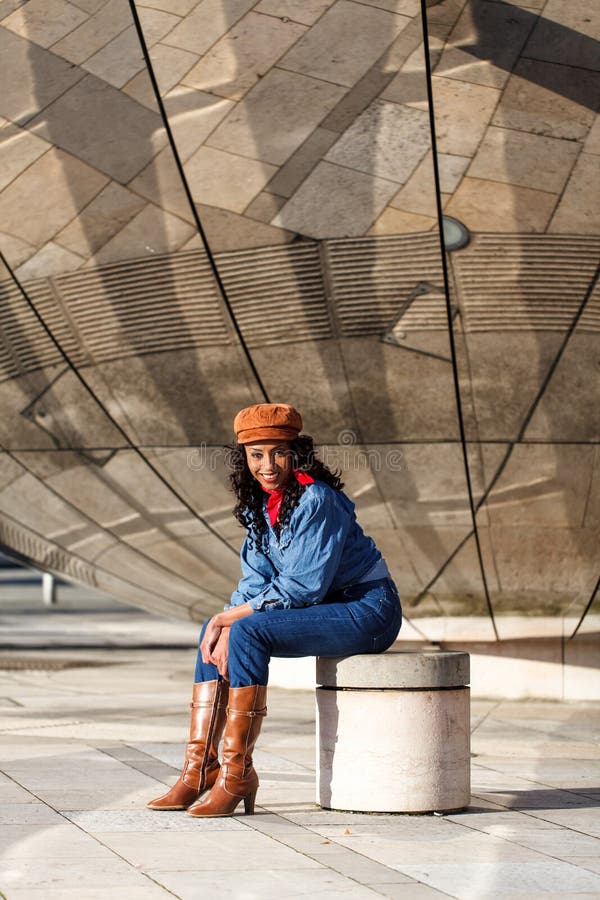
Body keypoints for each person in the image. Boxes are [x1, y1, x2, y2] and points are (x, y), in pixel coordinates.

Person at [147, 403, 402, 817]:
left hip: (368, 610)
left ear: (296, 452)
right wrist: (224, 622)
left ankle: (237, 773)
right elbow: (254, 582)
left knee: (244, 629)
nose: (267, 465)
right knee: (213, 634)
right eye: (256, 455)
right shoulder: (258, 504)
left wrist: (232, 618)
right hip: (326, 607)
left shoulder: (318, 499)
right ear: (244, 458)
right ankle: (199, 771)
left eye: (278, 452)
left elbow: (303, 587)